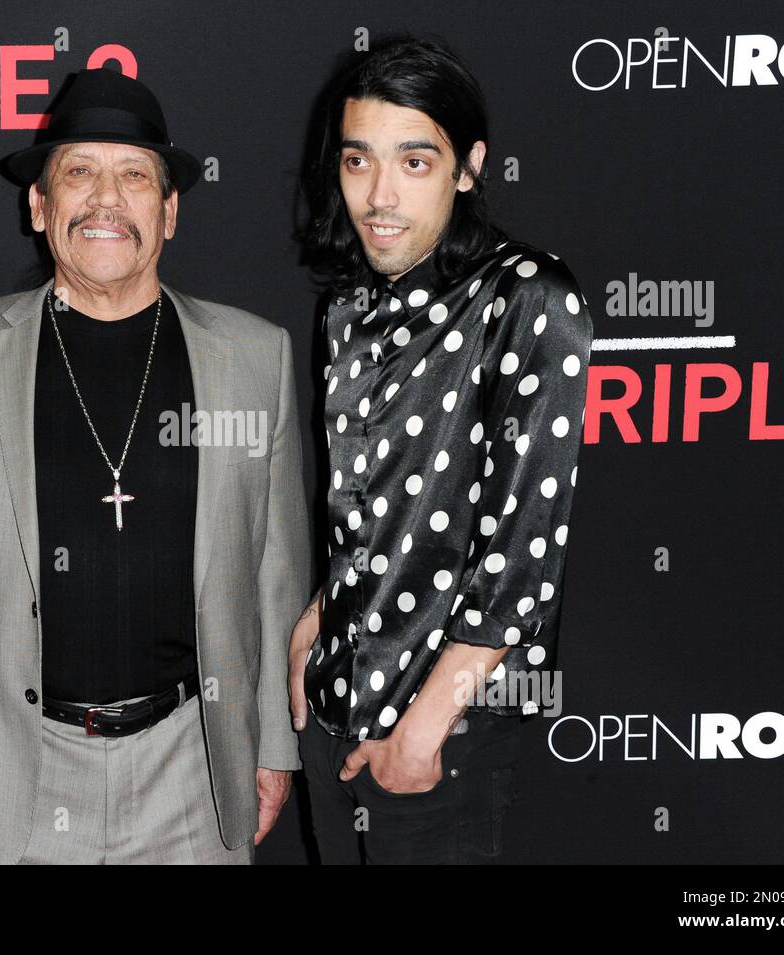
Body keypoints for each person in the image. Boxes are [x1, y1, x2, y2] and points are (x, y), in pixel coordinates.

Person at [0, 67, 311, 864]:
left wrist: (273, 743)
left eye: (135, 175)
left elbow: (278, 571)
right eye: (78, 172)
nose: (106, 199)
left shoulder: (254, 356)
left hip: (192, 767)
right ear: (39, 204)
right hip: (13, 773)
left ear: (169, 212)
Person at [288, 35, 595, 864]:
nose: (379, 195)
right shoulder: (349, 307)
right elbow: (362, 498)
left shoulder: (529, 296)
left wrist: (421, 736)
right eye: (359, 161)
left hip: (438, 745)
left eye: (414, 162)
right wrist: (316, 620)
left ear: (468, 167)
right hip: (333, 711)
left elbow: (523, 561)